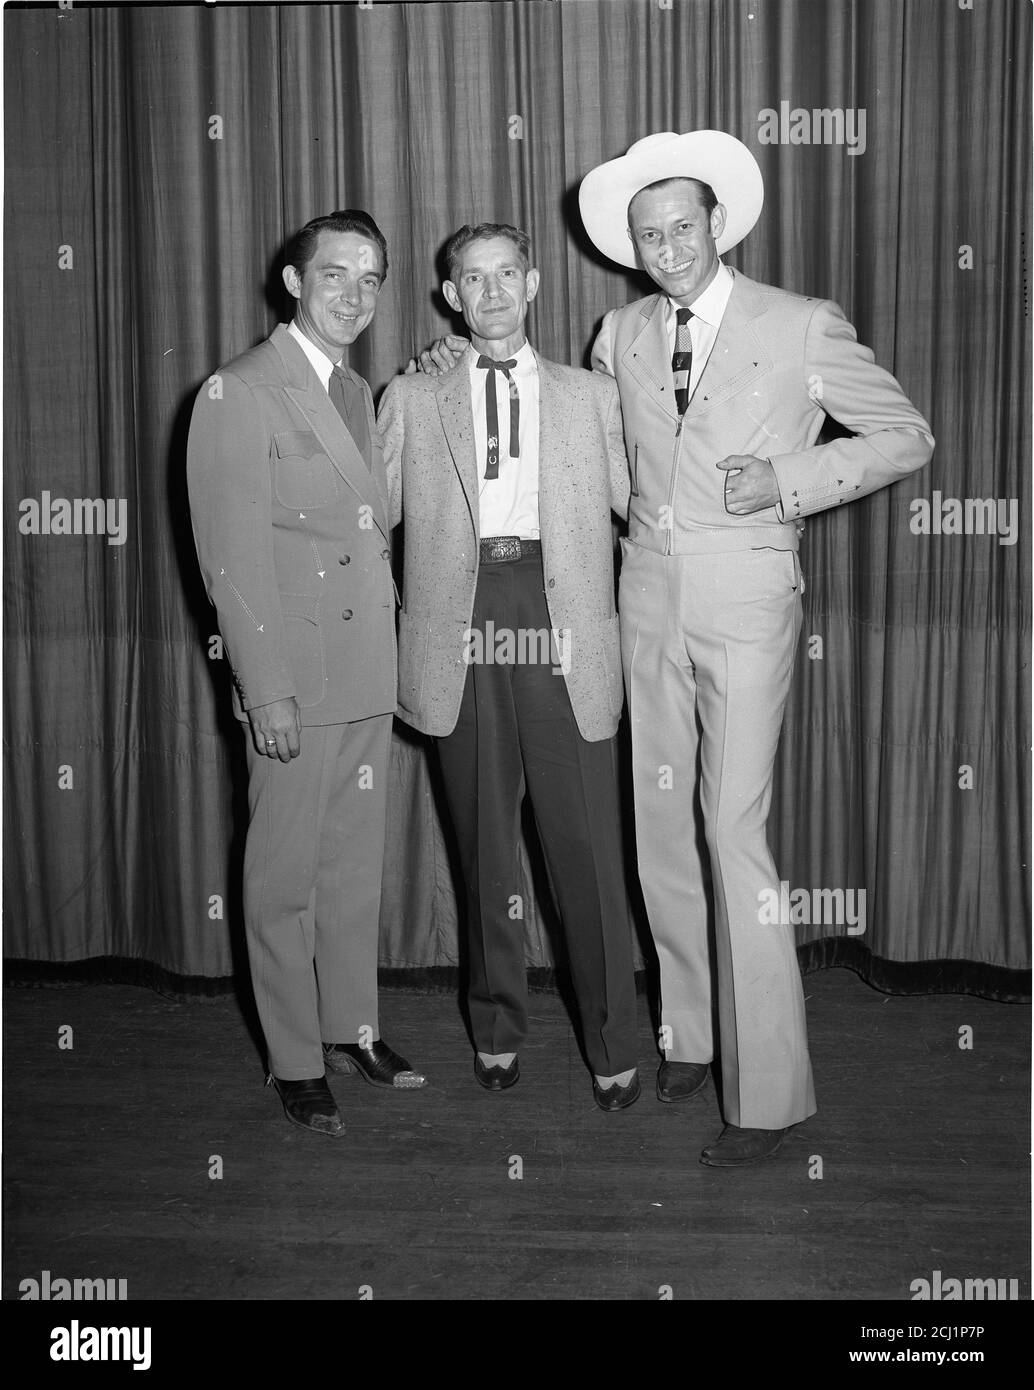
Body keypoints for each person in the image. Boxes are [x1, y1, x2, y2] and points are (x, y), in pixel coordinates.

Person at [578, 130, 934, 1165]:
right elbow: (601, 457)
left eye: (681, 227)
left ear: (717, 224)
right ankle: (686, 1030)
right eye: (648, 234)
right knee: (656, 826)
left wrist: (787, 481)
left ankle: (769, 1099)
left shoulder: (801, 324)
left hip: (745, 602)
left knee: (731, 831)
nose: (666, 247)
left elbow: (905, 437)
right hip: (642, 597)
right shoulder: (617, 331)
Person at [379, 223, 641, 1110]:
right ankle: (496, 1027)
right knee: (485, 840)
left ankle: (611, 1038)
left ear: (531, 285)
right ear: (451, 297)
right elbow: (368, 516)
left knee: (586, 846)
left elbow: (642, 503)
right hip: (459, 620)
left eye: (505, 275)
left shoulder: (592, 395)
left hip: (562, 615)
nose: (490, 292)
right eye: (471, 279)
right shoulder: (412, 398)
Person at [186, 210, 425, 1138]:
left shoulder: (356, 393)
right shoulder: (238, 391)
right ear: (294, 281)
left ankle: (351, 1027)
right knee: (284, 878)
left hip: (366, 670)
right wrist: (265, 689)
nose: (355, 296)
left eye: (372, 280)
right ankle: (294, 1057)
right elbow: (232, 563)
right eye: (336, 275)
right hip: (296, 680)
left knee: (353, 871)